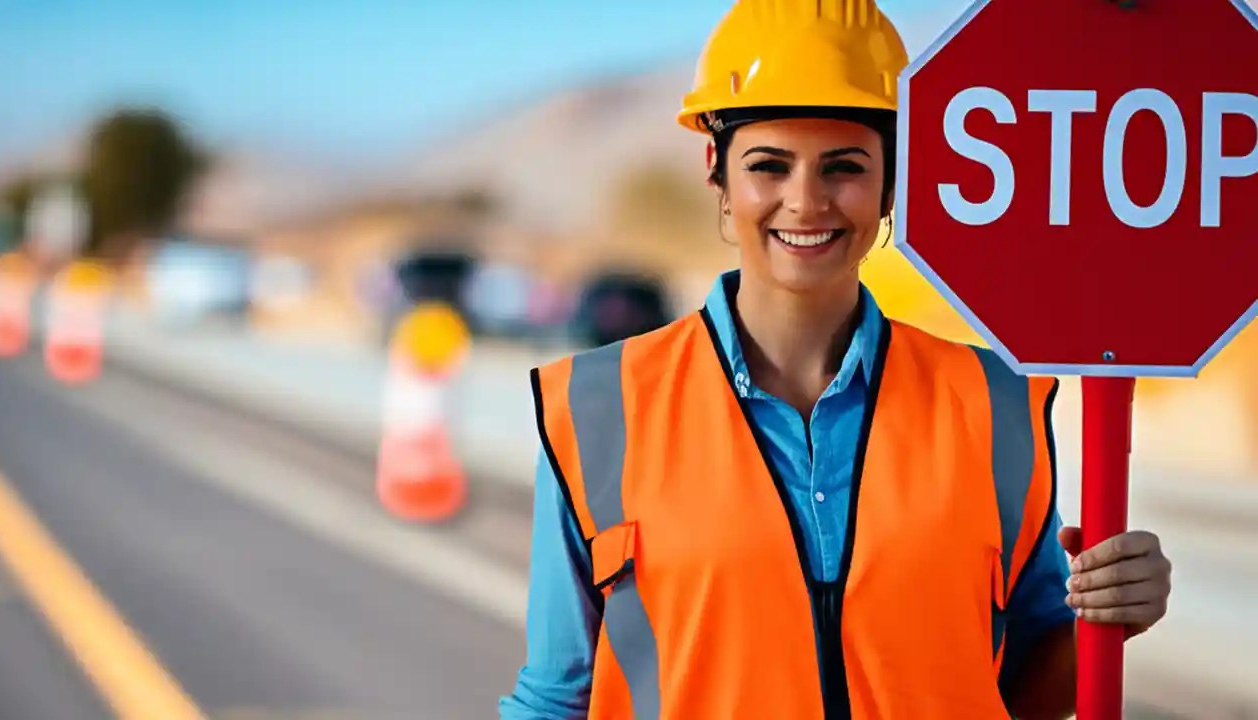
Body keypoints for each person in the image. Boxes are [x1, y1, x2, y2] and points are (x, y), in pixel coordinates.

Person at [500, 1, 1173, 717]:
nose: (805, 200)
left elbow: (1023, 685)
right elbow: (554, 696)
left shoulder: (992, 401)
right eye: (769, 165)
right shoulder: (599, 407)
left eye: (843, 167)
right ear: (717, 174)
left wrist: (1111, 616)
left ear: (891, 184)